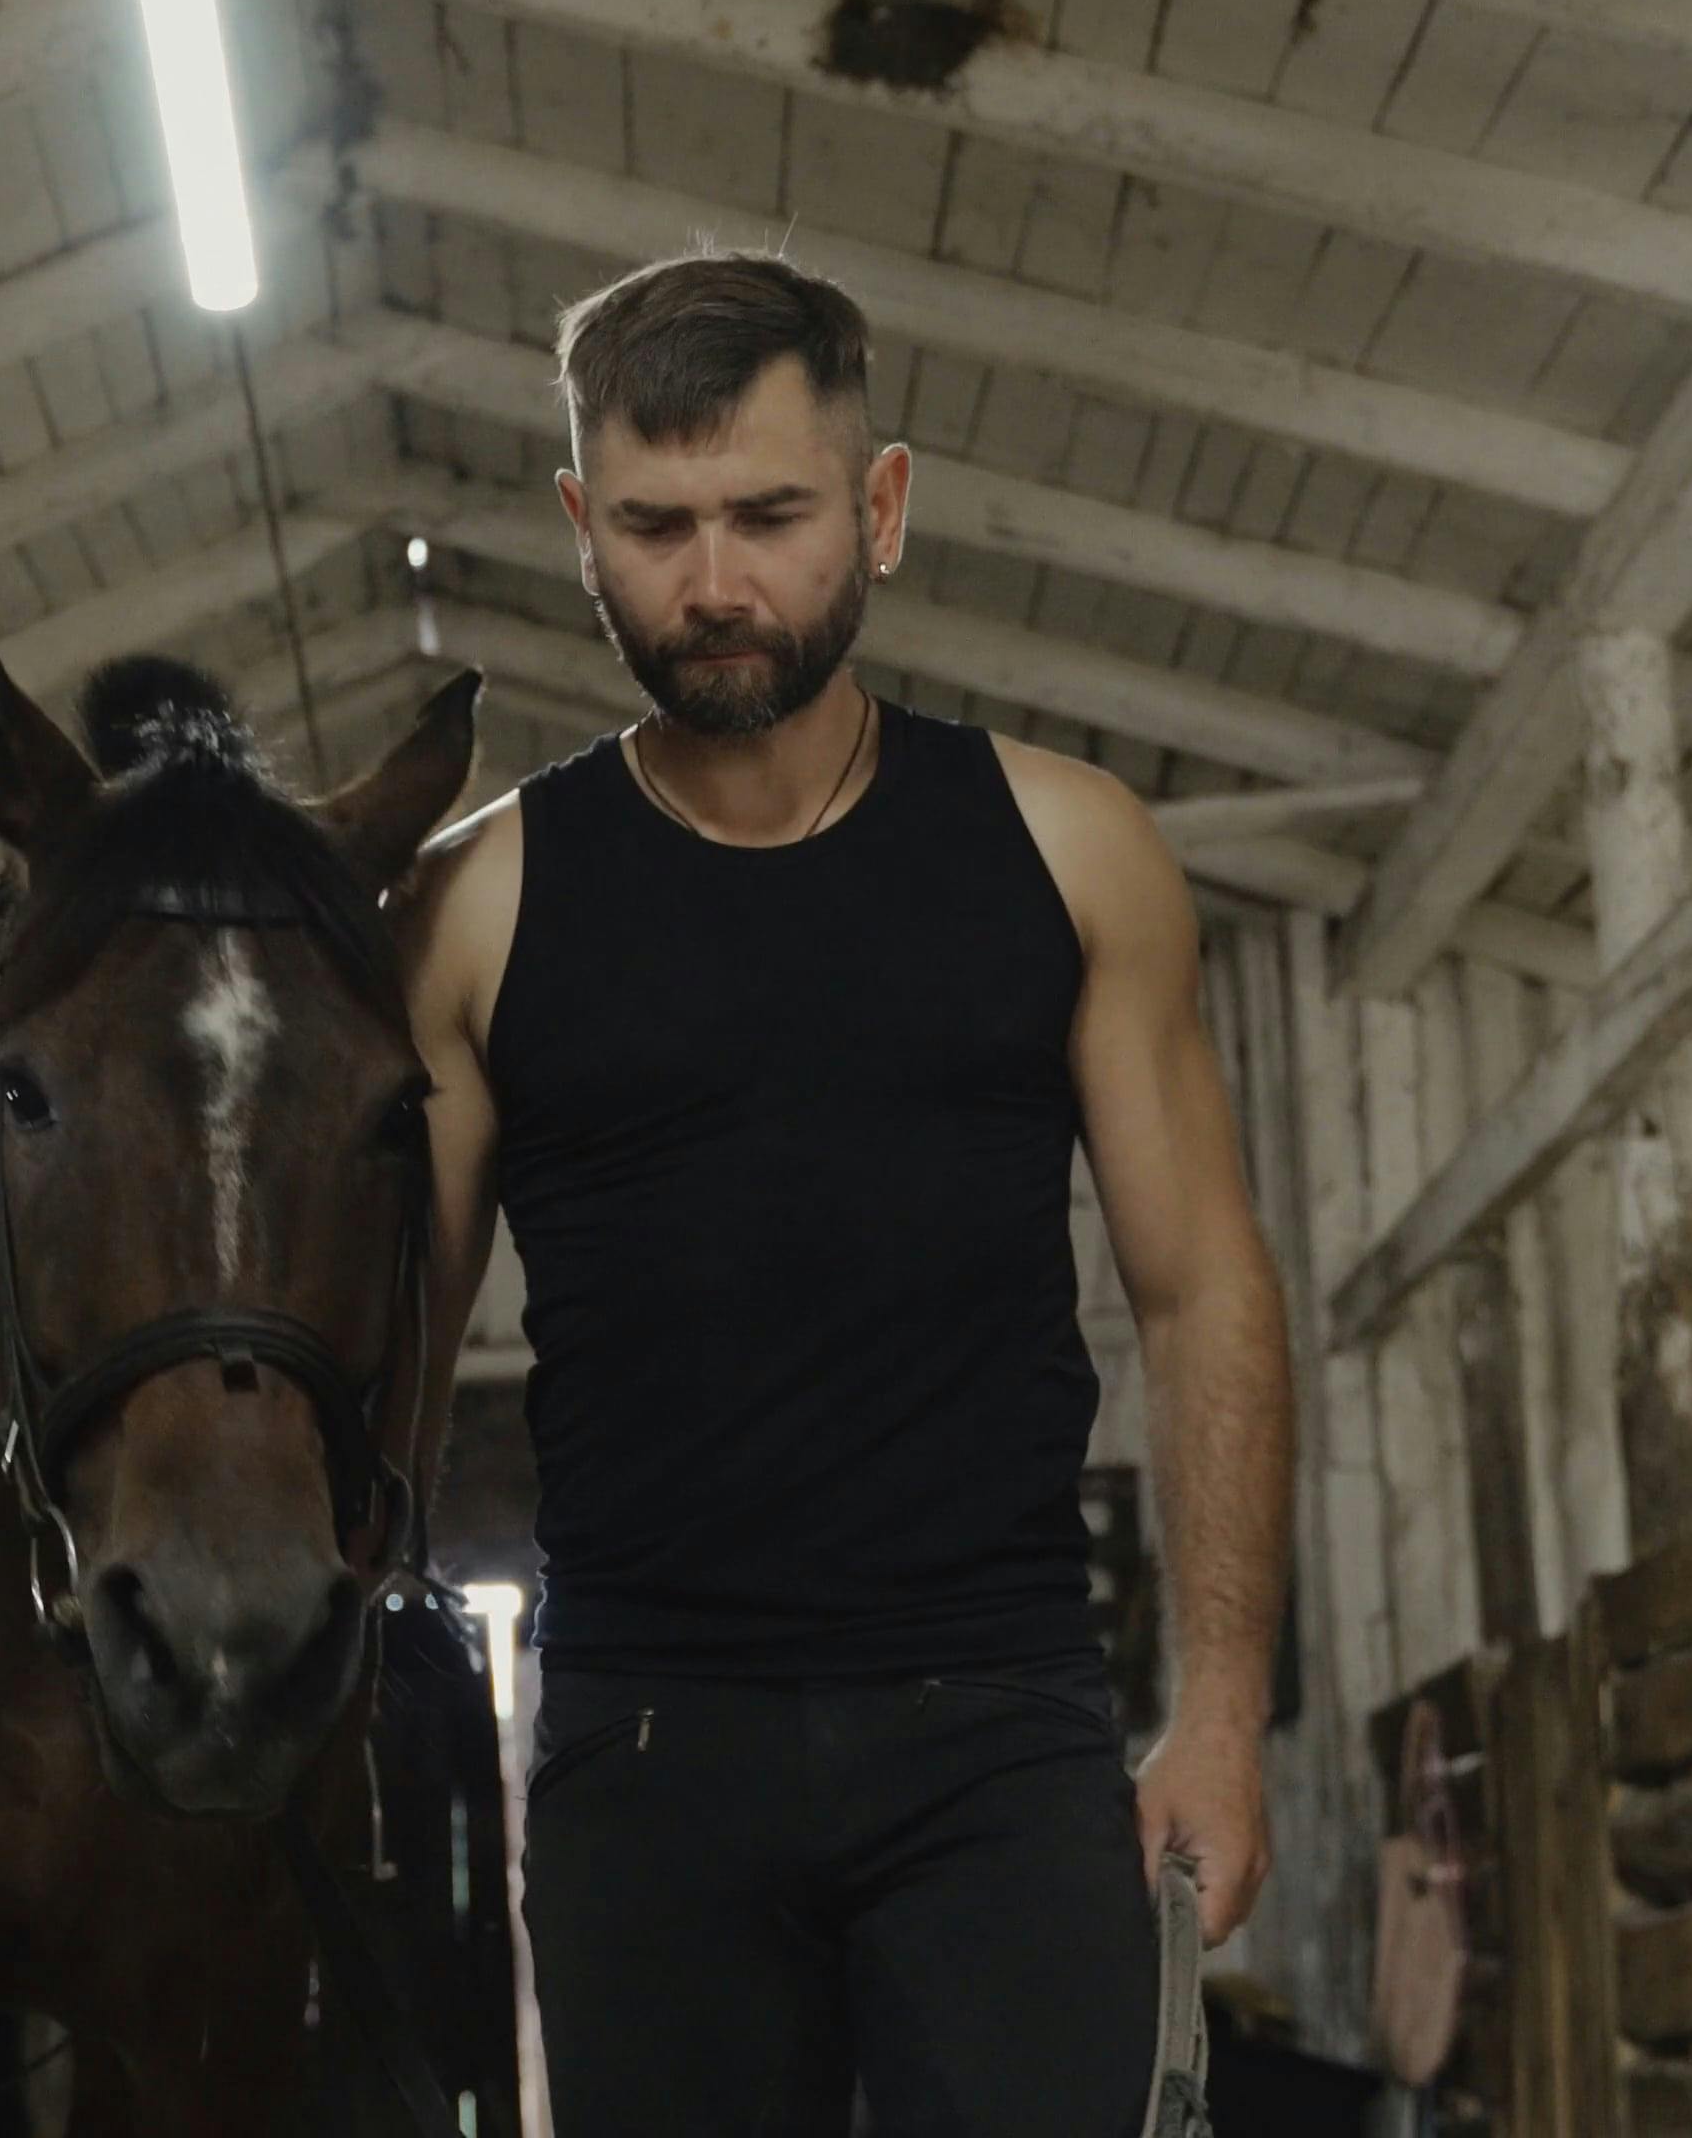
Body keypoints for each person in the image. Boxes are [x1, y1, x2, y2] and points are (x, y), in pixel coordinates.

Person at [392, 249, 1296, 2135]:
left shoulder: (1069, 854)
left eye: (769, 516)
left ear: (879, 512)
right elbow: (378, 1348)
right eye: (654, 527)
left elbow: (1205, 1289)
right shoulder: (482, 907)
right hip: (647, 1749)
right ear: (579, 529)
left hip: (1001, 1733)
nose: (714, 583)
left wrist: (1219, 1704)